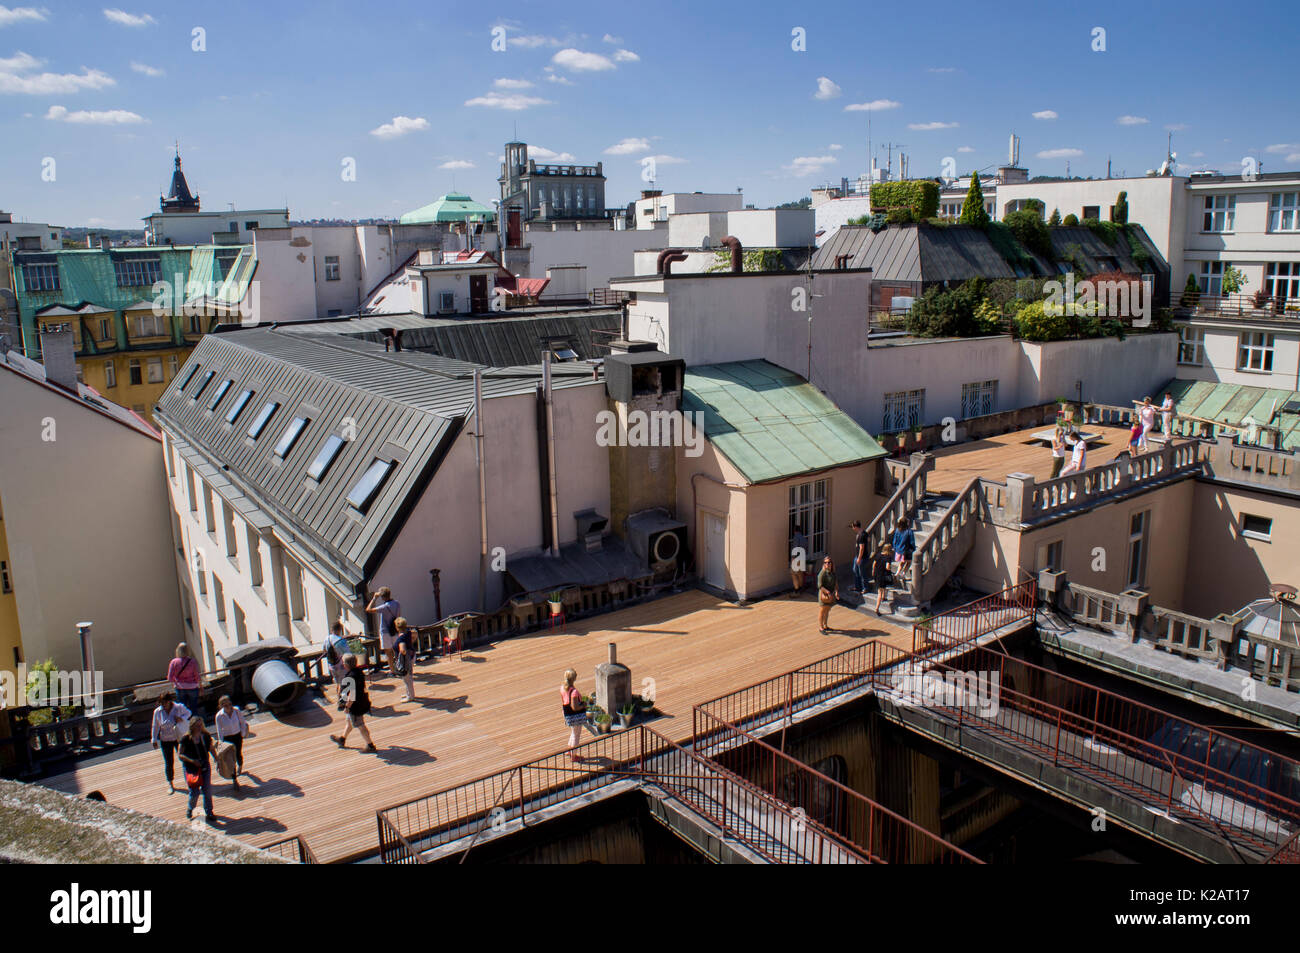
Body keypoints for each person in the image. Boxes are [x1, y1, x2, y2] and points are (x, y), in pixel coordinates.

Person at [331, 654, 377, 752]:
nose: (342, 663)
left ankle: (370, 745)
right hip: (362, 701)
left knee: (360, 725)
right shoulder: (359, 672)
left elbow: (352, 695)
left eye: (343, 662)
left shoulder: (350, 677)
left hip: (355, 706)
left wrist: (347, 707)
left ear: (346, 664)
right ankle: (342, 739)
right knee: (349, 722)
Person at [177, 715, 217, 822]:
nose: (199, 728)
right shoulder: (186, 739)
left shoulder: (205, 736)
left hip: (204, 766)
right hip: (191, 768)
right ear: (192, 726)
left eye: (201, 725)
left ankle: (209, 812)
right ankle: (190, 809)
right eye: (197, 726)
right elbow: (180, 755)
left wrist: (216, 759)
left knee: (207, 790)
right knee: (194, 792)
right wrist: (192, 761)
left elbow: (211, 748)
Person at [150, 691, 191, 794]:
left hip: (178, 737)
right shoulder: (158, 712)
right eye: (161, 703)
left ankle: (189, 780)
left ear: (170, 701)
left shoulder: (178, 707)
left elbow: (188, 713)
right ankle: (170, 783)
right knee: (169, 762)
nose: (163, 705)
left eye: (165, 702)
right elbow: (155, 726)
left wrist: (182, 718)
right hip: (165, 739)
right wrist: (154, 739)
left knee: (184, 758)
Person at [214, 695, 249, 790]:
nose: (228, 706)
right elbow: (219, 730)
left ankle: (240, 764)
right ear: (221, 706)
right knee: (230, 759)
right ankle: (234, 779)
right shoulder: (219, 716)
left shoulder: (236, 711)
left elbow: (242, 722)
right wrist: (221, 743)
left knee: (238, 754)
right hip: (227, 738)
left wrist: (242, 733)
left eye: (229, 704)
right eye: (225, 705)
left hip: (237, 735)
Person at [366, 587, 401, 676]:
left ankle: (392, 671)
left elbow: (368, 609)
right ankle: (399, 668)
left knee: (388, 652)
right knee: (396, 651)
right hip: (395, 629)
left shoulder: (384, 607)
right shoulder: (397, 604)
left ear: (382, 597)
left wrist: (374, 598)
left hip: (385, 631)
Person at [560, 668, 588, 762]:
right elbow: (575, 707)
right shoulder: (574, 692)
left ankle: (569, 750)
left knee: (573, 732)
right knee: (577, 734)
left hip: (567, 714)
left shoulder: (562, 688)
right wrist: (584, 705)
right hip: (575, 716)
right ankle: (574, 755)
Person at [166, 643, 202, 713]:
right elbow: (197, 676)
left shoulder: (173, 662)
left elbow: (169, 678)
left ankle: (185, 723)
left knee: (182, 710)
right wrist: (200, 686)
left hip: (180, 688)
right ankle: (194, 722)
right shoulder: (193, 661)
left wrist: (176, 682)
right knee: (193, 708)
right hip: (192, 687)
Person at [391, 616, 416, 703]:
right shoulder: (408, 632)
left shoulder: (401, 638)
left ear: (397, 627)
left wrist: (402, 655)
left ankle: (410, 696)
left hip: (405, 661)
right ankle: (409, 693)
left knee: (407, 679)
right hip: (411, 656)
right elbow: (414, 635)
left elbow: (403, 649)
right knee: (408, 677)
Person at [324, 620, 351, 696]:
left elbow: (324, 650)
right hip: (341, 666)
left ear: (332, 629)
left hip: (332, 666)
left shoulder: (327, 639)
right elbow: (348, 654)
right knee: (344, 685)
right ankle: (341, 702)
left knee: (338, 684)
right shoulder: (341, 641)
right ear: (340, 630)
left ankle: (340, 698)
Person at [817, 556, 839, 634]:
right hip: (824, 595)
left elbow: (835, 582)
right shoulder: (822, 573)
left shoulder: (832, 572)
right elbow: (820, 585)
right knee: (822, 610)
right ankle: (821, 627)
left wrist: (836, 592)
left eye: (829, 562)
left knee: (827, 610)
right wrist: (827, 592)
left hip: (831, 595)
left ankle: (825, 625)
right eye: (825, 562)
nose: (827, 564)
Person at [871, 542, 895, 615]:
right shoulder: (888, 557)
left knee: (882, 588)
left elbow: (874, 564)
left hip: (877, 574)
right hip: (883, 575)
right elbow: (887, 567)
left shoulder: (878, 555)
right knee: (880, 592)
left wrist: (873, 571)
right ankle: (877, 608)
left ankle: (884, 597)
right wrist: (891, 570)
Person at [789, 523, 808, 597]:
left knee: (793, 574)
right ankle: (800, 588)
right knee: (800, 574)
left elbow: (795, 548)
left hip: (797, 558)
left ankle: (796, 591)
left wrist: (793, 558)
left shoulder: (796, 537)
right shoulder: (803, 538)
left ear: (794, 531)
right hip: (802, 558)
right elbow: (806, 547)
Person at [850, 519, 869, 593]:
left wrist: (859, 558)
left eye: (853, 527)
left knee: (862, 572)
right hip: (857, 556)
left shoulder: (862, 535)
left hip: (861, 557)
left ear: (855, 527)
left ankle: (865, 588)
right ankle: (857, 586)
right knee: (855, 571)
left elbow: (862, 548)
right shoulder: (861, 534)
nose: (852, 529)